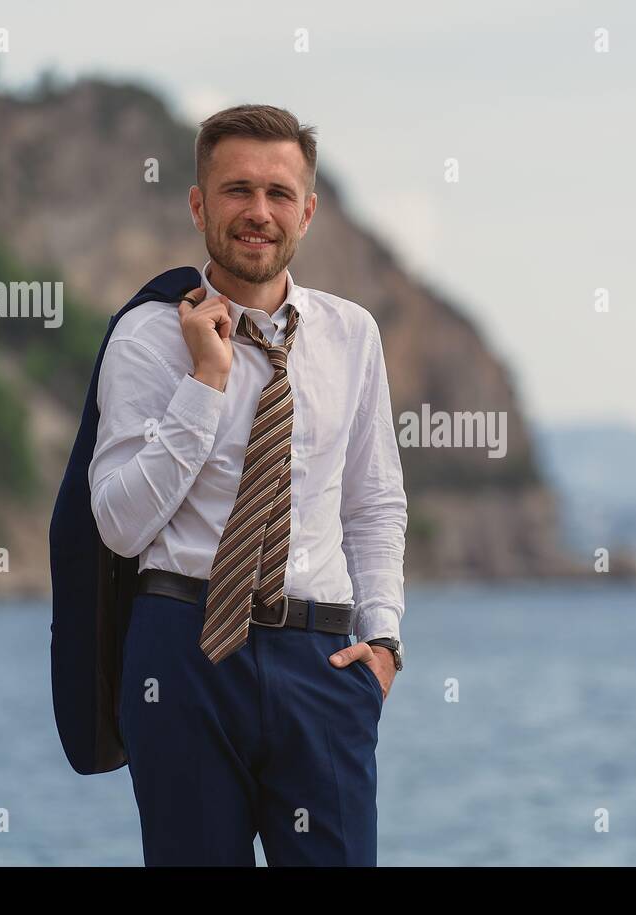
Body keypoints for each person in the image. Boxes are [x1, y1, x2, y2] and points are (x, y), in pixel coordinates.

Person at [88, 104, 408, 865]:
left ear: (307, 211)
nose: (257, 212)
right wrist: (205, 382)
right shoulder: (145, 337)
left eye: (278, 193)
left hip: (324, 664)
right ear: (199, 204)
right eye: (236, 191)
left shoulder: (352, 335)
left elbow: (374, 502)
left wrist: (386, 639)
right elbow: (119, 526)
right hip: (184, 655)